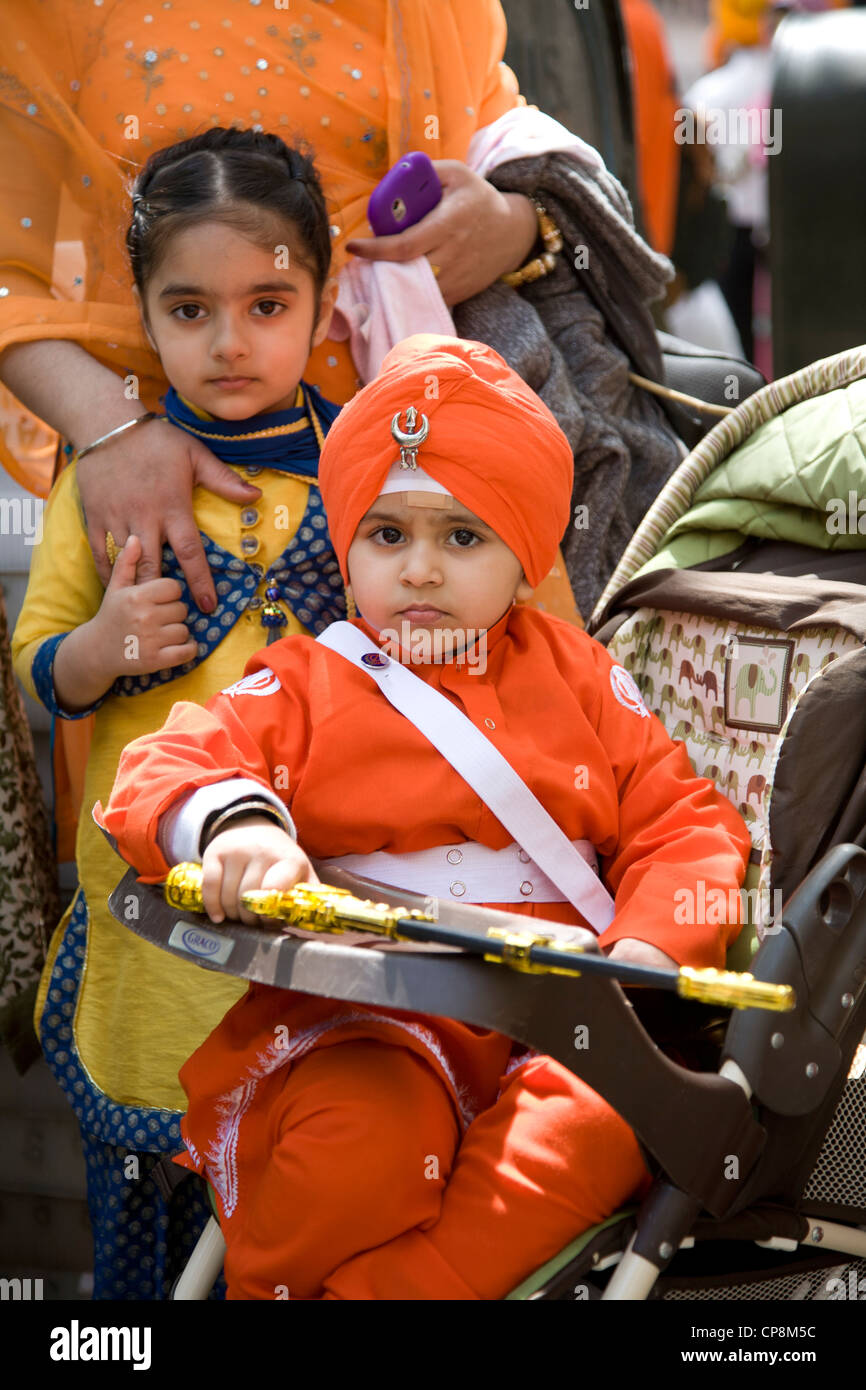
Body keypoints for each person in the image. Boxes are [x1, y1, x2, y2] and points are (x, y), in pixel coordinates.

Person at [99, 334, 751, 1300]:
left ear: (527, 559)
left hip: (564, 1016)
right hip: (373, 1018)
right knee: (358, 1147)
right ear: (349, 545)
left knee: (599, 1131)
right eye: (388, 534)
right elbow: (165, 763)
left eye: (463, 536)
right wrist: (240, 828)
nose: (420, 571)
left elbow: (686, 825)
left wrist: (650, 951)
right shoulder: (306, 683)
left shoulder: (582, 680)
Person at [11, 125, 352, 1299]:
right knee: (148, 1257)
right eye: (190, 308)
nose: (229, 342)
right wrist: (101, 651)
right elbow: (36, 663)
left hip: (316, 932)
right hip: (150, 931)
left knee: (293, 1228)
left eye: (267, 304)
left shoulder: (366, 481)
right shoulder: (102, 487)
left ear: (324, 293)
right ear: (143, 310)